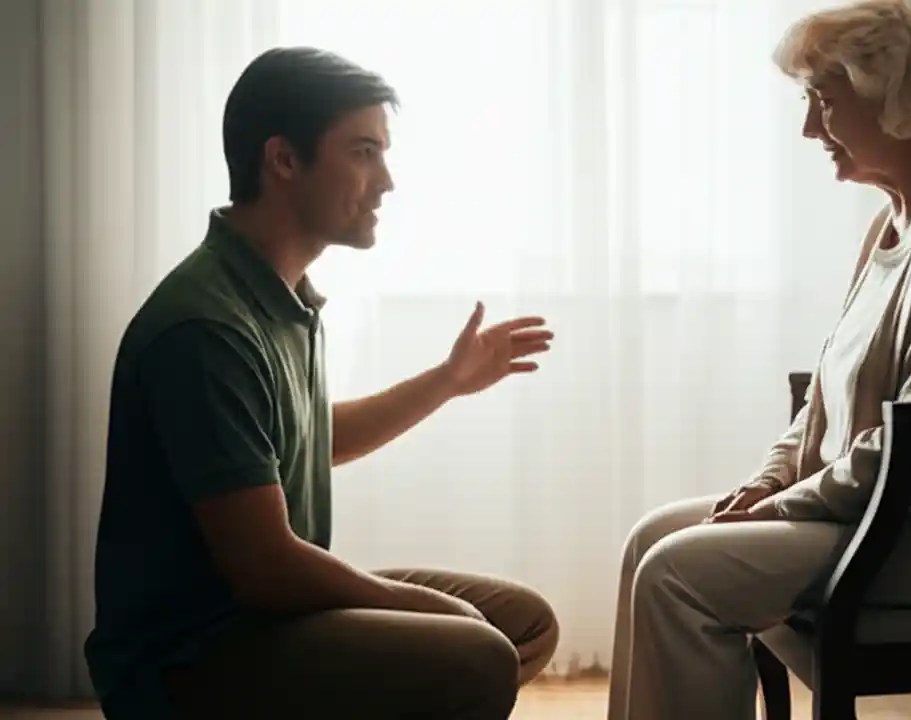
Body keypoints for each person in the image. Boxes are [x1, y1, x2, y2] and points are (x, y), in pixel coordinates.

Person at [606, 1, 911, 718]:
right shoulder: (901, 212)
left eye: (823, 102)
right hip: (908, 512)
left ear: (891, 96)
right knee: (651, 540)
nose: (811, 128)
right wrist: (766, 480)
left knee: (679, 574)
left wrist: (777, 506)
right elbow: (826, 399)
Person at [85, 47, 559, 720]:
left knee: (524, 623)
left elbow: (308, 436)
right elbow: (268, 567)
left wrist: (449, 380)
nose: (387, 180)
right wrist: (441, 613)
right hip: (193, 663)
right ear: (283, 160)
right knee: (478, 652)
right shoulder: (207, 328)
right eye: (364, 151)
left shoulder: (281, 296)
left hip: (266, 620)